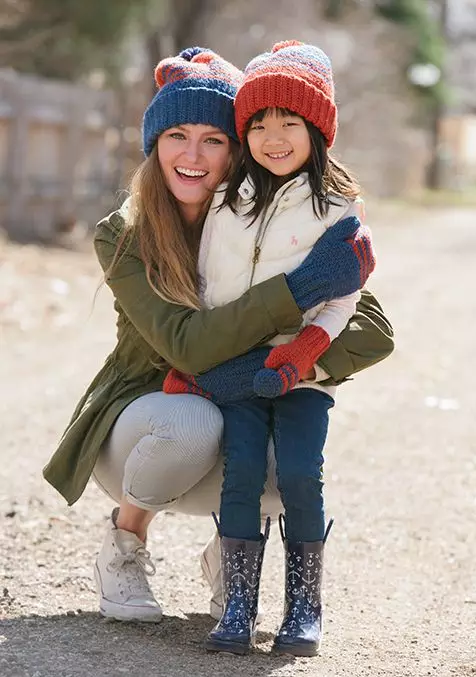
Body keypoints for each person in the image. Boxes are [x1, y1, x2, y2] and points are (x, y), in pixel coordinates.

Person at [43, 46, 393, 627]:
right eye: (177, 135)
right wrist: (299, 291)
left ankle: (231, 556)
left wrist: (292, 363)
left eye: (214, 139)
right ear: (154, 145)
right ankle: (126, 542)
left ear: (238, 149)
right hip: (146, 426)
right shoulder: (124, 234)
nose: (193, 155)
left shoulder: (278, 218)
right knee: (193, 423)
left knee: (292, 450)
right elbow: (186, 348)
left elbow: (372, 329)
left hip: (236, 413)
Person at [163, 41, 376, 656]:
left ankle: (305, 607)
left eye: (289, 122)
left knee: (303, 476)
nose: (273, 136)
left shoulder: (339, 209)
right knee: (243, 476)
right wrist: (202, 358)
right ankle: (237, 605)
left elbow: (344, 296)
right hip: (237, 370)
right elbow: (205, 287)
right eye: (258, 123)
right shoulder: (229, 203)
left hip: (302, 375)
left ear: (318, 129)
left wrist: (309, 346)